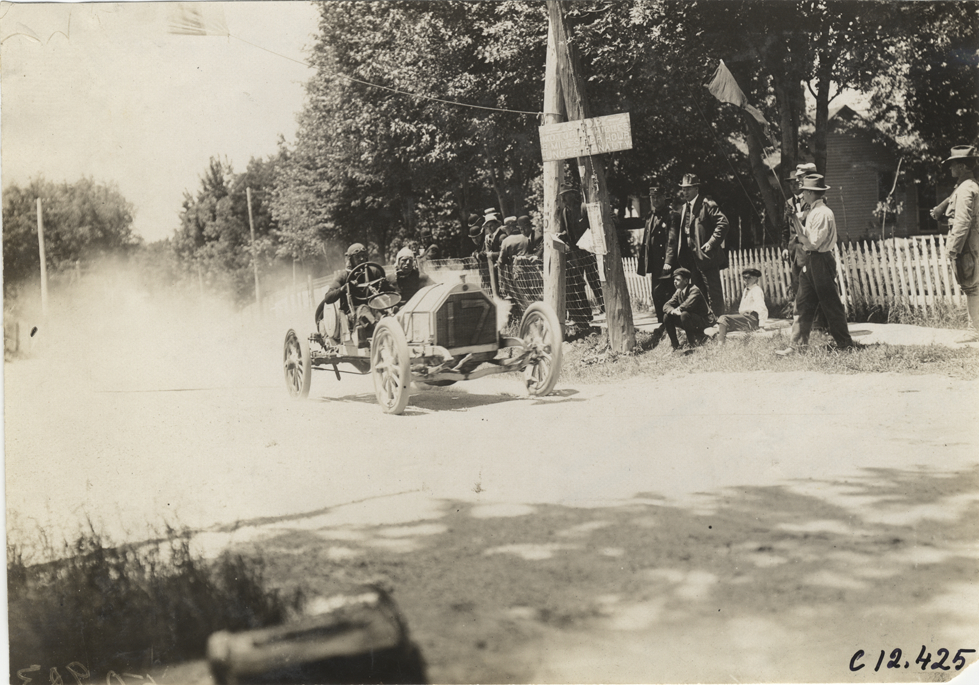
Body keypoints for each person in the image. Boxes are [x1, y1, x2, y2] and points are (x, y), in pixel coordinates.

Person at [776, 175, 858, 354]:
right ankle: (796, 346)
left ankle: (845, 344)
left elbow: (813, 243)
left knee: (830, 303)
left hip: (820, 260)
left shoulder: (822, 213)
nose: (802, 193)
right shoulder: (814, 211)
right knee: (802, 303)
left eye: (804, 190)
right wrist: (794, 219)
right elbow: (805, 234)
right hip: (811, 259)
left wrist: (799, 237)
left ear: (812, 192)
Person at [666, 173, 729, 318]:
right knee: (697, 292)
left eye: (688, 189)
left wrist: (712, 242)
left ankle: (719, 323)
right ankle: (704, 323)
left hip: (706, 256)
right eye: (683, 189)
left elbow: (723, 223)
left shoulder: (707, 204)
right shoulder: (684, 208)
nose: (685, 192)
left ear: (696, 188)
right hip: (691, 259)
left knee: (713, 291)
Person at [317, 242, 395, 342]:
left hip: (375, 307)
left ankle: (390, 324)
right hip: (353, 314)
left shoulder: (374, 272)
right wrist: (344, 289)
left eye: (363, 256)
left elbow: (388, 289)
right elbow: (328, 298)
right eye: (358, 257)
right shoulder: (343, 277)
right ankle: (379, 330)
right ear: (351, 259)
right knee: (363, 308)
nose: (362, 259)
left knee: (384, 308)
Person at [942, 144, 979, 343]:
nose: (950, 169)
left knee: (971, 286)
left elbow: (963, 221)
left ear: (963, 166)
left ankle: (974, 330)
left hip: (968, 245)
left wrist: (953, 249)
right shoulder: (970, 186)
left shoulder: (965, 189)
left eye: (953, 165)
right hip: (973, 242)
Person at [636, 185, 677, 322]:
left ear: (664, 197)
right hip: (655, 263)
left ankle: (672, 323)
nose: (656, 200)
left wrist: (668, 261)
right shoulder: (650, 216)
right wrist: (617, 222)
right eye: (653, 197)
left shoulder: (671, 215)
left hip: (666, 264)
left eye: (658, 197)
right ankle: (662, 322)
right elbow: (636, 223)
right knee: (656, 294)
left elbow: (672, 240)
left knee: (670, 294)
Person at [557, 184, 595, 332]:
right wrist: (562, 235)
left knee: (594, 279)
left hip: (589, 250)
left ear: (573, 195)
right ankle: (587, 313)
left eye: (566, 195)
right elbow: (567, 230)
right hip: (575, 253)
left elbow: (593, 227)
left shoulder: (584, 208)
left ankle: (604, 307)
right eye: (562, 196)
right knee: (579, 283)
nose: (564, 199)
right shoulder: (565, 212)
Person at [650, 267, 715, 350]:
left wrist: (678, 310)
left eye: (678, 280)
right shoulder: (679, 291)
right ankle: (675, 346)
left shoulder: (694, 290)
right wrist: (672, 311)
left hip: (704, 321)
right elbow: (666, 305)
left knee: (684, 314)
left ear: (686, 281)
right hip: (690, 320)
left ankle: (693, 344)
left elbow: (687, 305)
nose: (675, 282)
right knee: (667, 316)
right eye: (674, 280)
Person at [714, 267, 768, 343]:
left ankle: (720, 344)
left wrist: (761, 326)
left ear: (756, 279)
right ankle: (715, 335)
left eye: (749, 278)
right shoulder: (746, 290)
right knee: (723, 324)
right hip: (746, 318)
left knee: (724, 318)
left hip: (752, 319)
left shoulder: (756, 290)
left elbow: (762, 308)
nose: (746, 280)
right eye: (744, 278)